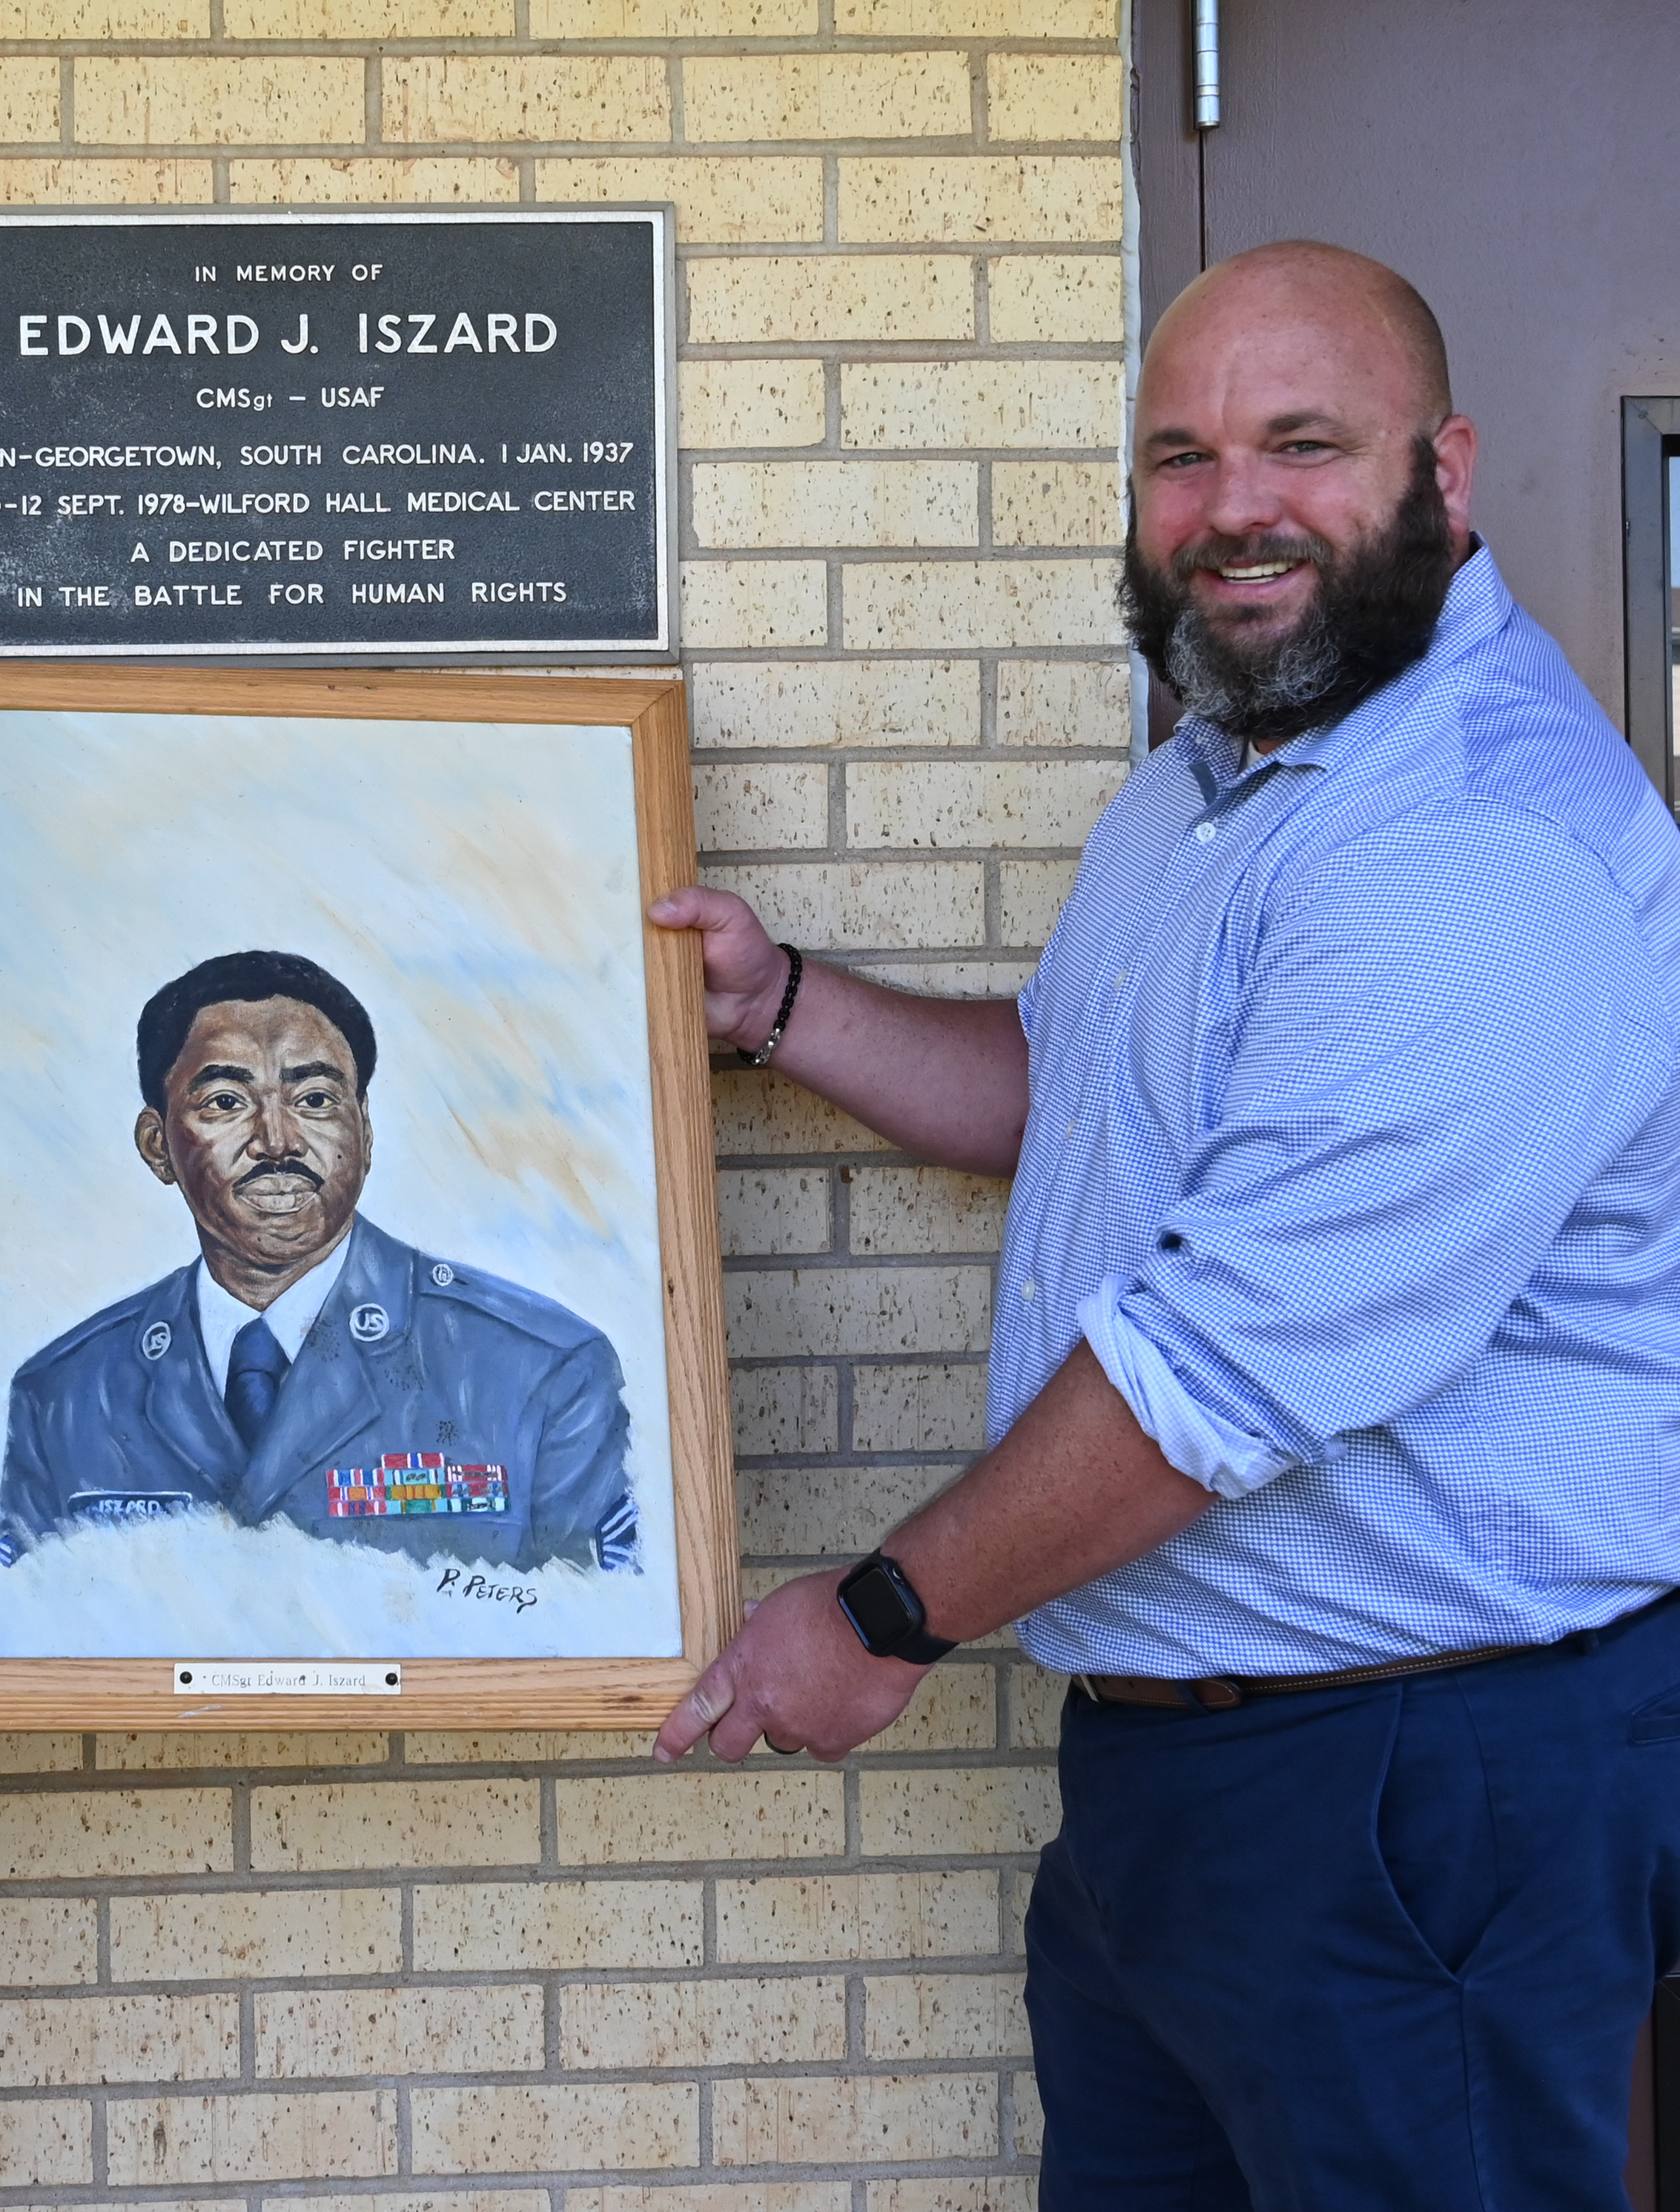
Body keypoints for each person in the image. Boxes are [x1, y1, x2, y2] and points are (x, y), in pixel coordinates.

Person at [653, 239, 1680, 2207]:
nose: (1232, 507)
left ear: (1445, 475)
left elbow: (1221, 1364)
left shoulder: (1470, 846)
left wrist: (881, 1618)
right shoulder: (1218, 777)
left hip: (1417, 1793)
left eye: (1303, 444)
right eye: (1179, 456)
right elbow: (1077, 1096)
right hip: (1192, 1785)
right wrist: (780, 1005)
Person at [0, 948, 638, 1573]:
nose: (277, 1141)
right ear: (158, 1145)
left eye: (315, 1101)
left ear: (364, 1134)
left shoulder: (541, 1374)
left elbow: (598, 1649)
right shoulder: (64, 1396)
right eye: (225, 1101)